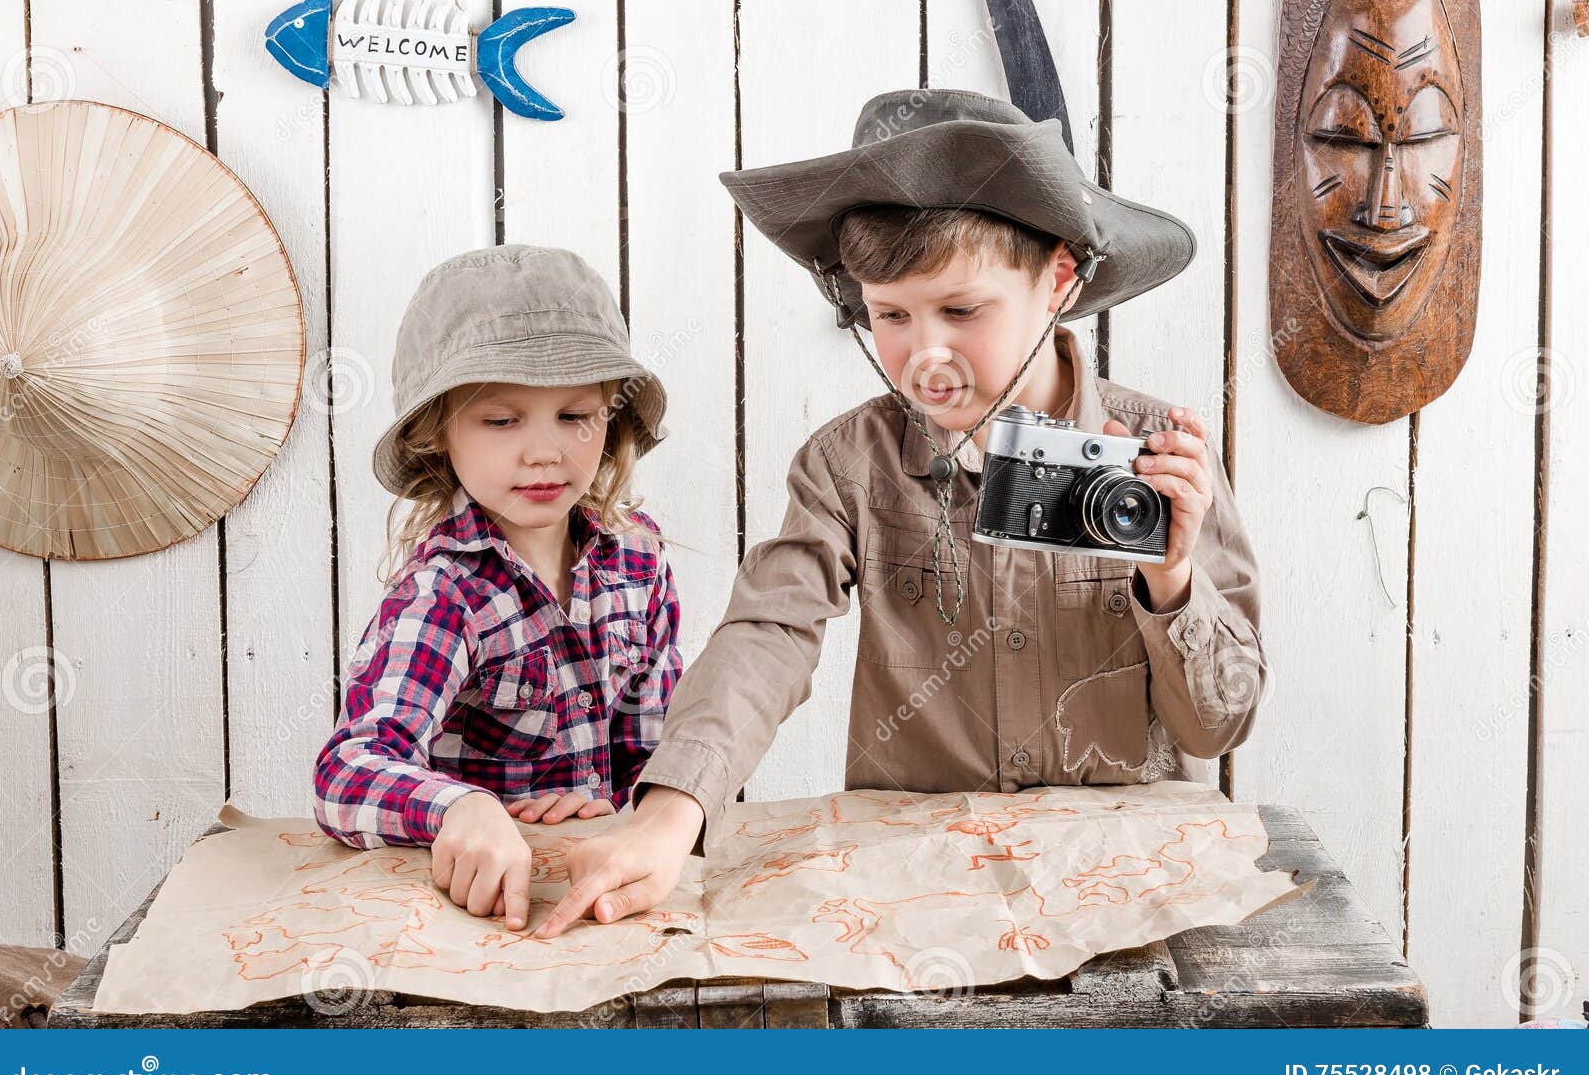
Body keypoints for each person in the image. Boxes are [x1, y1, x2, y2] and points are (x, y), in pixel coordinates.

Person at [531, 88, 1267, 940]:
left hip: (1127, 895)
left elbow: (1217, 727)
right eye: (890, 315)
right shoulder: (849, 465)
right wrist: (670, 814)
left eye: (962, 310)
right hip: (927, 899)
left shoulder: (1158, 461)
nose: (926, 354)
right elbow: (770, 632)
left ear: (1059, 281)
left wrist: (1171, 579)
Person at [314, 245, 682, 933]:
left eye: (574, 415)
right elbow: (349, 769)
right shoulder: (444, 593)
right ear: (437, 433)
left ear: (610, 417)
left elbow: (655, 750)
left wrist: (623, 806)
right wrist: (462, 807)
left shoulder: (638, 561)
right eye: (502, 420)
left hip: (600, 898)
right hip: (477, 916)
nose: (545, 452)